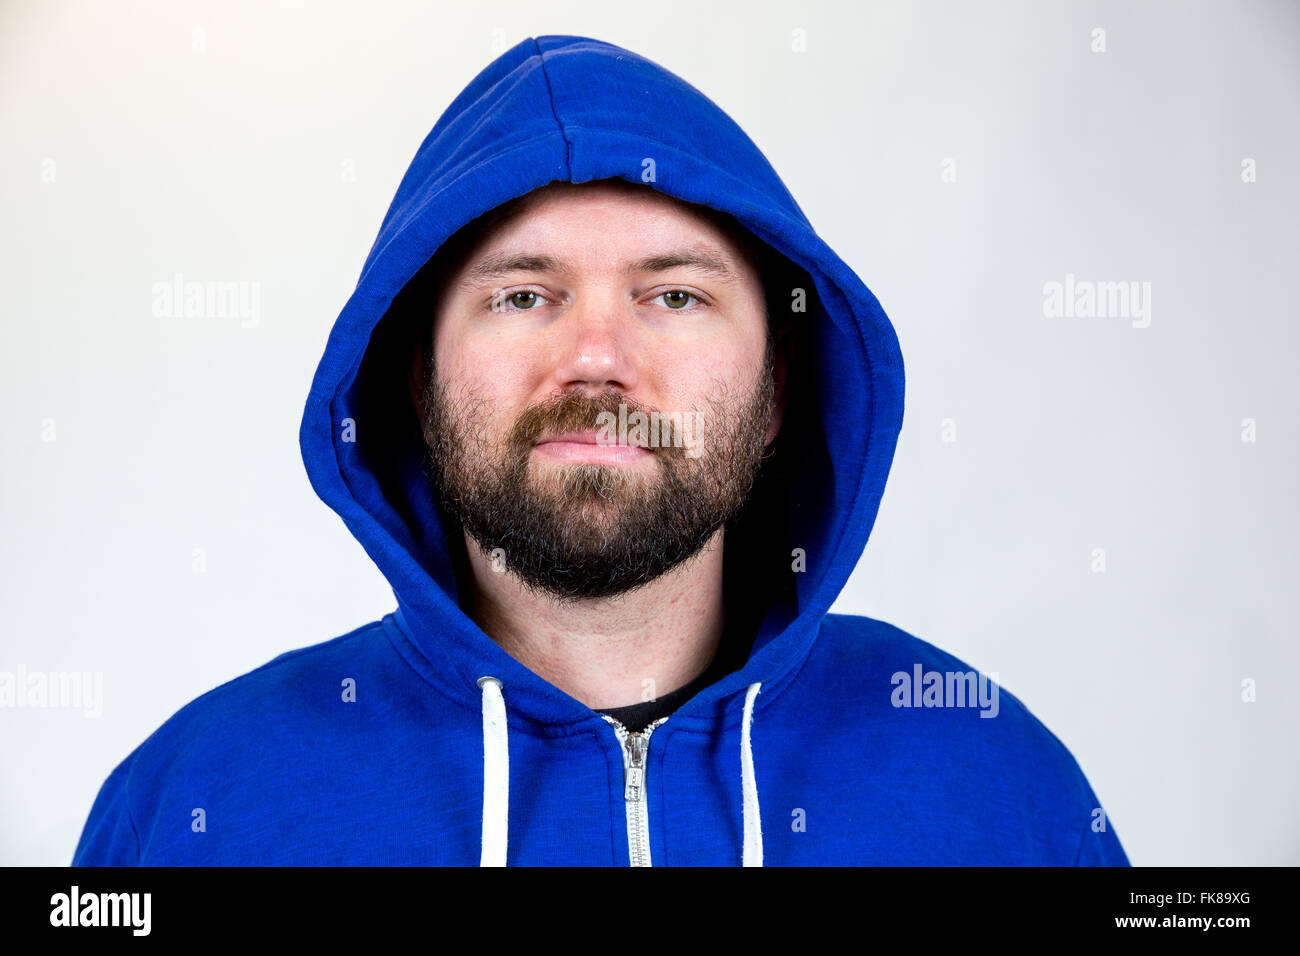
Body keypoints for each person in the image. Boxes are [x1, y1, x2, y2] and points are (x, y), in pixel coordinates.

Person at [72, 34, 1129, 866]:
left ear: (775, 394)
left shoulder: (992, 781)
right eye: (523, 295)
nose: (594, 357)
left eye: (673, 295)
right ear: (415, 379)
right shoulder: (197, 802)